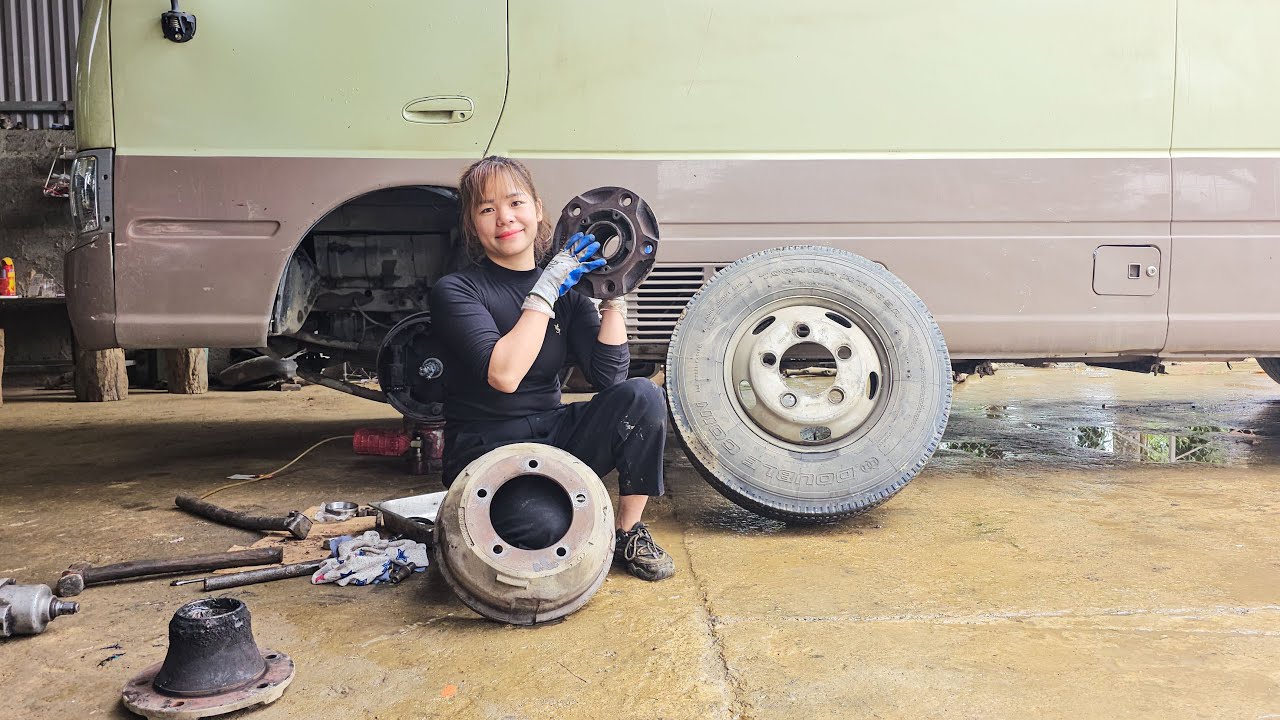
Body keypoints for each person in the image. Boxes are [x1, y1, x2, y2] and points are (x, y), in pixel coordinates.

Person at [428, 156, 675, 582]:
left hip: (553, 432)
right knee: (544, 530)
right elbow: (504, 376)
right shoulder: (457, 291)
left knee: (643, 396)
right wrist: (545, 290)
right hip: (486, 446)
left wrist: (614, 294)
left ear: (538, 209)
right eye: (487, 209)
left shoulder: (568, 293)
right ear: (472, 223)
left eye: (515, 203)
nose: (505, 218)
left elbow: (610, 379)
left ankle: (628, 532)